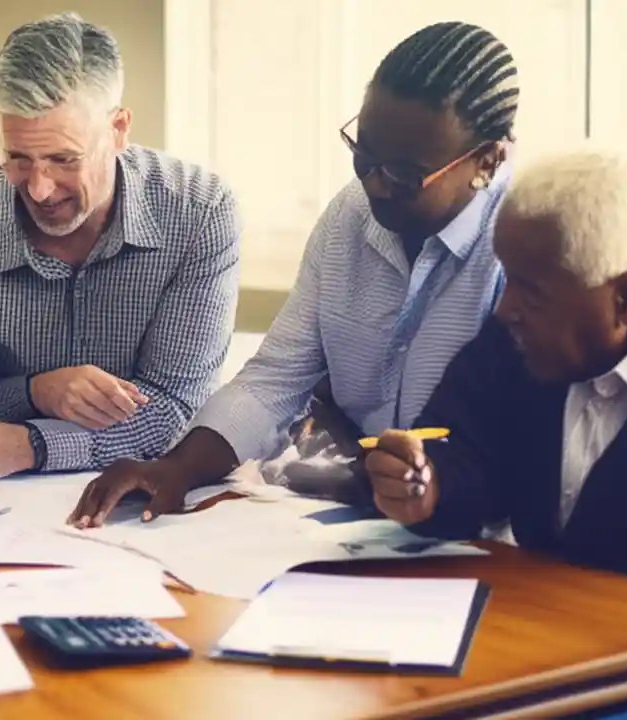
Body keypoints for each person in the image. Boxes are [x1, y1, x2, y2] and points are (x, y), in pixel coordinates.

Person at [70, 21, 519, 526]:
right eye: (363, 156)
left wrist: (428, 486)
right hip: (361, 524)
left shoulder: (524, 246)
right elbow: (276, 380)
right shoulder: (349, 218)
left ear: (487, 161)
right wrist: (175, 468)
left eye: (403, 174)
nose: (375, 186)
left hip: (481, 538)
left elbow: (521, 445)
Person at [0, 12, 241, 480]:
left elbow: (179, 408)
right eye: (17, 158)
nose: (39, 189)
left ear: (118, 129)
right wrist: (36, 392)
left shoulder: (199, 213)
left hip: (146, 505)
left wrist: (33, 444)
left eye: (64, 160)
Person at [367, 146, 627, 587]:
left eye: (531, 291)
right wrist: (424, 486)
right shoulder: (518, 342)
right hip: (540, 627)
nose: (504, 309)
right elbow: (459, 445)